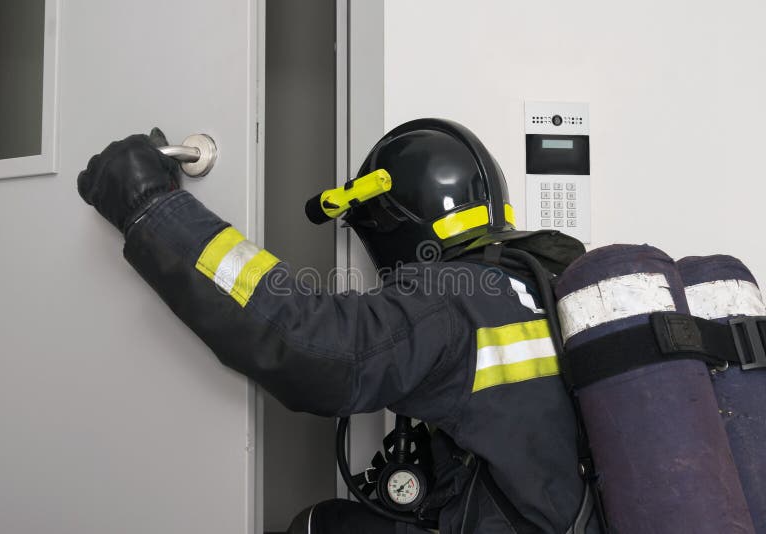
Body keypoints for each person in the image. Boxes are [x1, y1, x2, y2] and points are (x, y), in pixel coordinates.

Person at [78, 118, 593, 533]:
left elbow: (315, 345)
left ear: (393, 221)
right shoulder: (553, 280)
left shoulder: (453, 297)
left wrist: (153, 208)